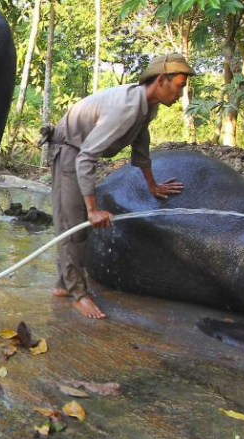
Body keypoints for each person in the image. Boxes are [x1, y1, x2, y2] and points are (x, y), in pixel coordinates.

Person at [44, 53, 196, 319]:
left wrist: (153, 185)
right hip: (69, 150)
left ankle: (62, 284)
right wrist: (93, 209)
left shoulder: (148, 106)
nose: (180, 92)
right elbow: (86, 157)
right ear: (162, 80)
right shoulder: (126, 108)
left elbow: (141, 145)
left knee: (76, 222)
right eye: (180, 85)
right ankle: (78, 293)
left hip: (80, 150)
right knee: (73, 223)